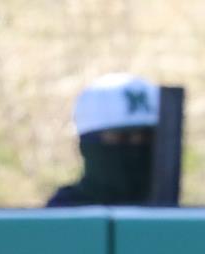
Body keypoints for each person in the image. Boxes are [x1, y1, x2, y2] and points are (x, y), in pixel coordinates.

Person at [47, 73, 161, 207]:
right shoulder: (63, 213)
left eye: (147, 137)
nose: (138, 147)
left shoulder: (169, 211)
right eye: (123, 138)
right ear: (88, 144)